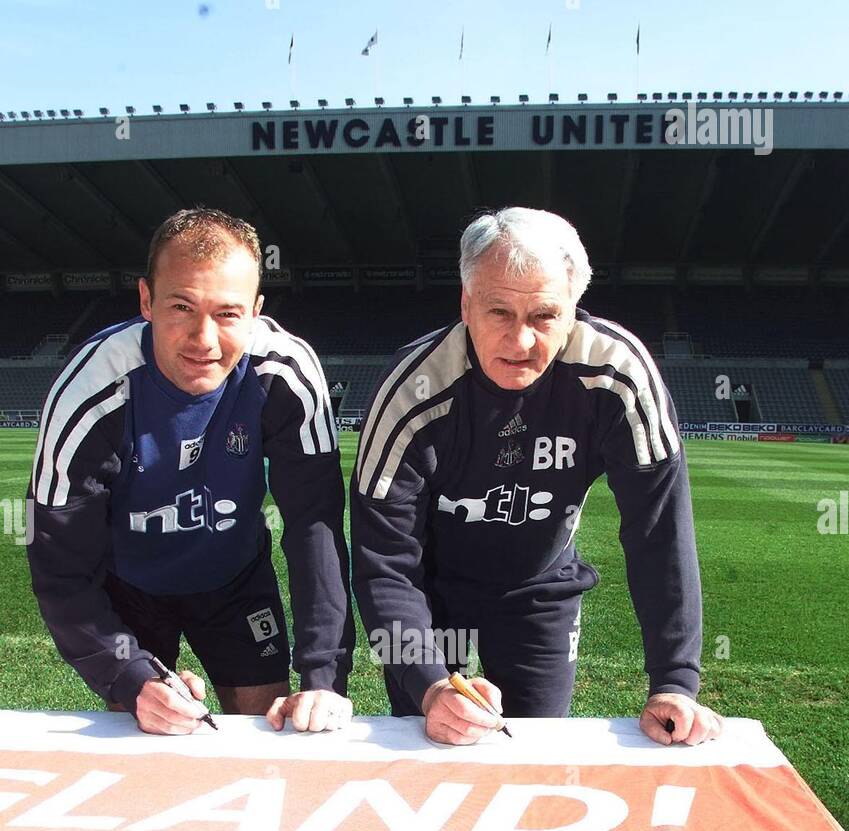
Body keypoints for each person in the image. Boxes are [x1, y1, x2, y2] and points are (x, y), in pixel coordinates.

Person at [350, 206, 722, 747]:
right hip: (429, 590)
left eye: (544, 316)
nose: (520, 341)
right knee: (433, 739)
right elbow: (384, 560)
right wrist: (431, 686)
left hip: (539, 587)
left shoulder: (617, 375)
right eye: (498, 311)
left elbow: (659, 531)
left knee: (534, 750)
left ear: (573, 311)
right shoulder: (412, 392)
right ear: (466, 304)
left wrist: (675, 682)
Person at [28, 208, 354, 735]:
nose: (203, 338)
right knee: (146, 731)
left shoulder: (284, 372)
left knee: (266, 731)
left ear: (255, 311)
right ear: (145, 302)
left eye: (228, 314)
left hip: (235, 579)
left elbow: (314, 524)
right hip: (127, 587)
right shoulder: (89, 392)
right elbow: (60, 567)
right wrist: (129, 674)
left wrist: (323, 674)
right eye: (181, 306)